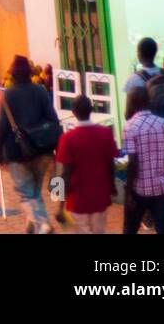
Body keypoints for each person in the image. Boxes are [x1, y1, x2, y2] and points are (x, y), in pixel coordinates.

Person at [0, 54, 62, 234]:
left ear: (13, 75)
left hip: (18, 153)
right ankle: (31, 227)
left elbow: (1, 127)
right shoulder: (40, 91)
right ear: (30, 74)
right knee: (34, 192)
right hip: (43, 150)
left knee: (26, 194)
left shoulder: (7, 96)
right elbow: (52, 119)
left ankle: (43, 224)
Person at [55, 94, 118, 233]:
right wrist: (112, 187)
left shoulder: (67, 139)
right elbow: (111, 164)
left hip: (77, 200)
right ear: (91, 110)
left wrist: (59, 204)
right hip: (101, 197)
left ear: (73, 113)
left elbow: (63, 173)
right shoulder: (106, 133)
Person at [122, 85, 164, 234]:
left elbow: (133, 161)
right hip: (163, 186)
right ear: (149, 101)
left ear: (131, 103)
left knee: (130, 228)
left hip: (140, 187)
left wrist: (128, 190)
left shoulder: (130, 126)